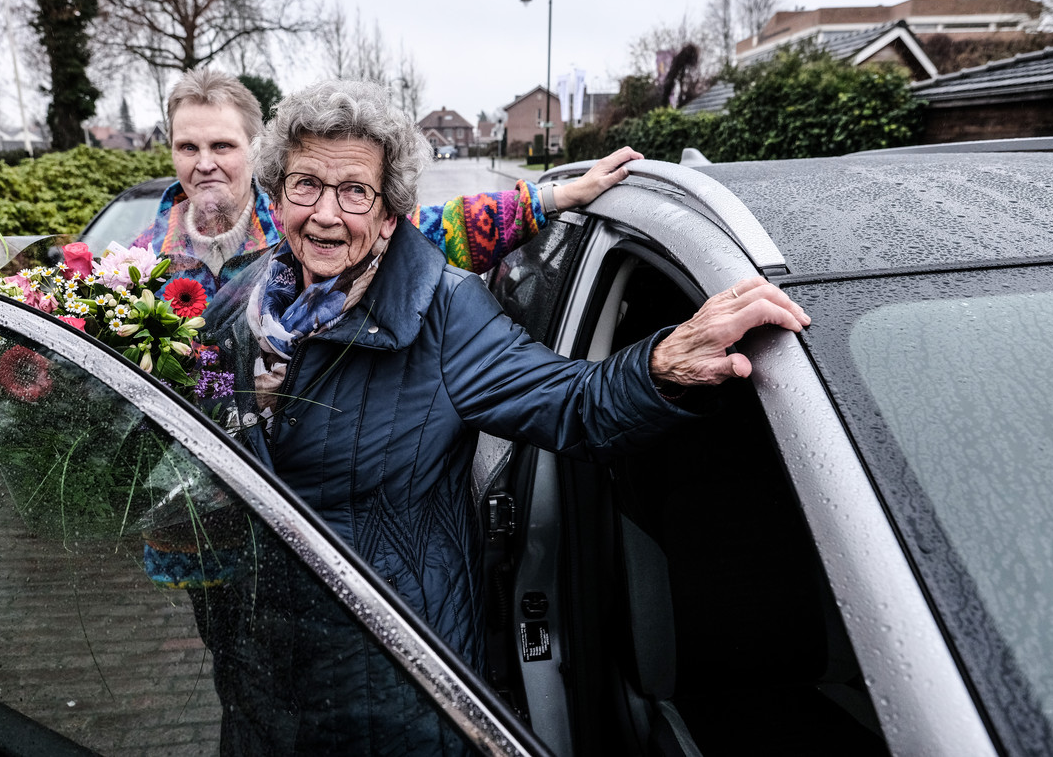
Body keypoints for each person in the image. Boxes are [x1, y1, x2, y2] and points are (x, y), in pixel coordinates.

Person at [168, 79, 810, 755]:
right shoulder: (231, 307)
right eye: (306, 185)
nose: (326, 213)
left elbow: (577, 406)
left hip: (396, 680)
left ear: (390, 215)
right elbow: (210, 439)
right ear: (276, 195)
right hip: (259, 680)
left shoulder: (444, 312)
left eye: (355, 191)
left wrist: (663, 364)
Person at [130, 67, 639, 296]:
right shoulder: (137, 263)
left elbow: (447, 227)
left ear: (255, 148)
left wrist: (554, 195)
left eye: (222, 146)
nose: (204, 163)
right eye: (187, 147)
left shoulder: (299, 218)